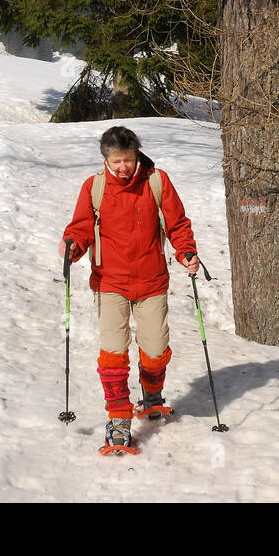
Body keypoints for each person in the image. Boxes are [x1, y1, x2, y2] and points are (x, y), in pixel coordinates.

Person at [59, 125, 199, 454]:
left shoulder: (156, 181)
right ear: (106, 158)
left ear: (137, 154)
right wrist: (72, 246)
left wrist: (186, 252)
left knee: (155, 351)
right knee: (114, 352)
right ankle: (119, 419)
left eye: (128, 159)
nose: (122, 166)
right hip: (110, 282)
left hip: (151, 281)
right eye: (116, 160)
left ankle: (151, 396)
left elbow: (177, 223)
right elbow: (80, 227)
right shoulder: (94, 187)